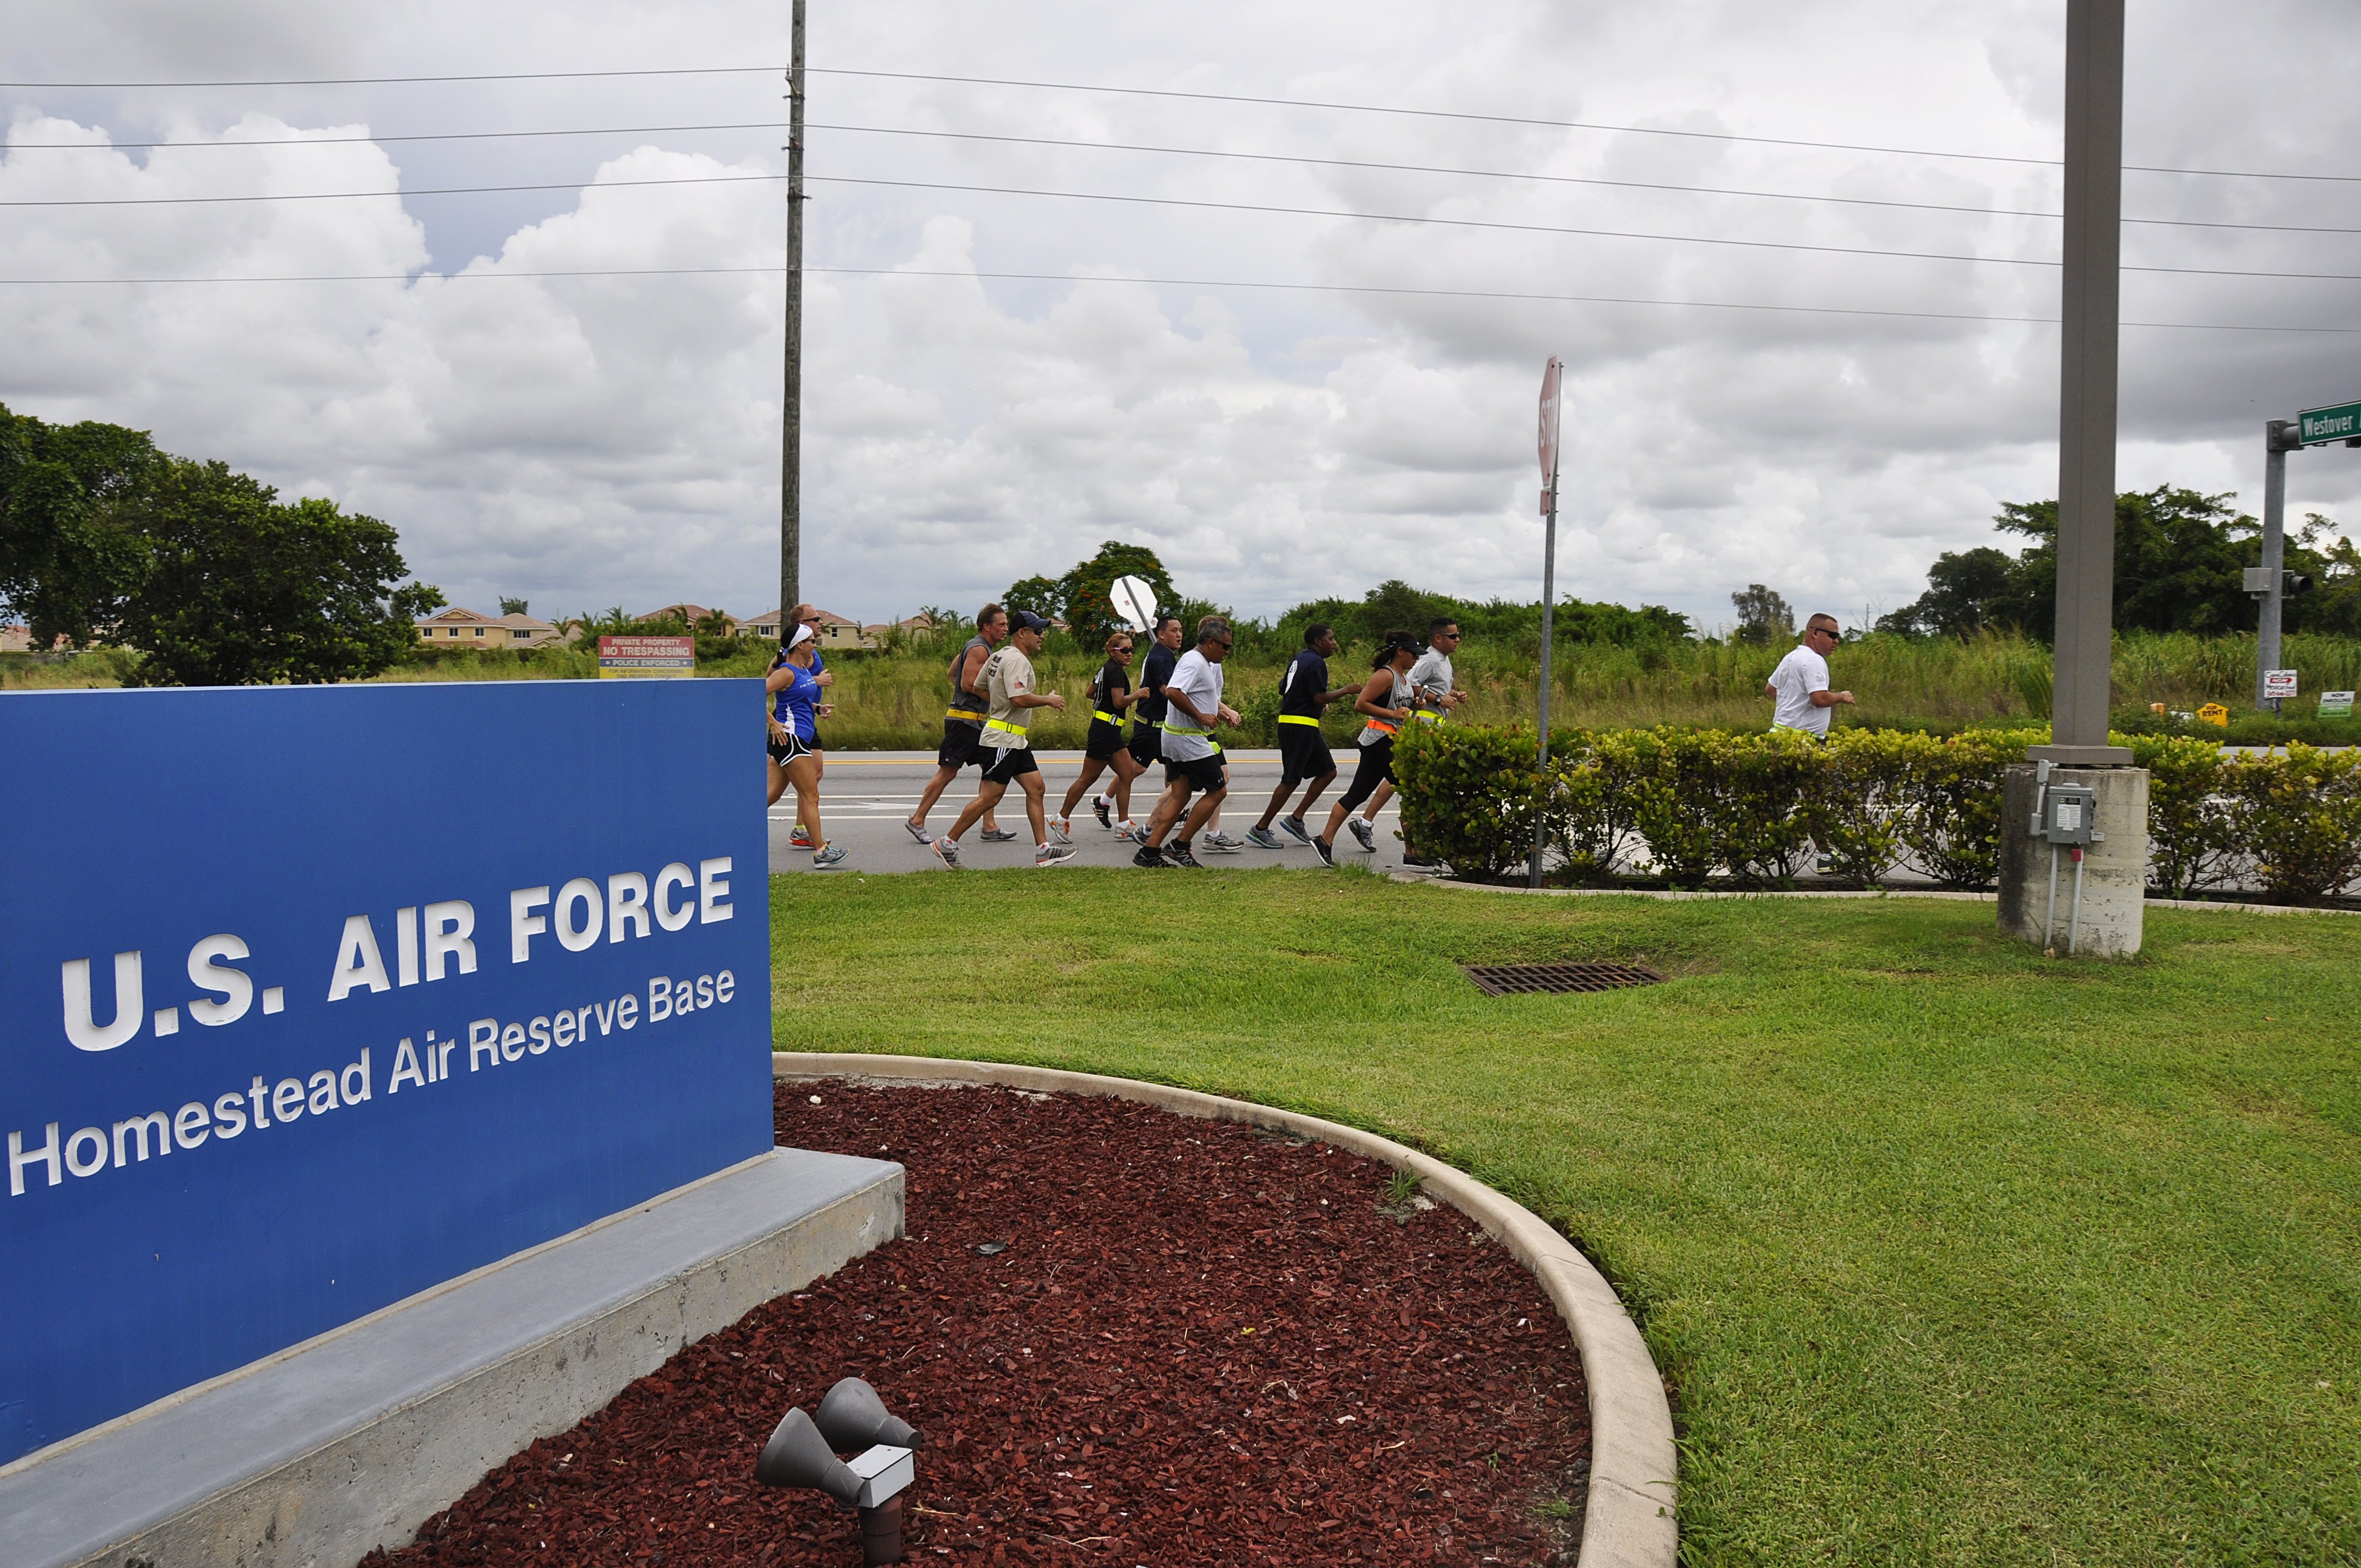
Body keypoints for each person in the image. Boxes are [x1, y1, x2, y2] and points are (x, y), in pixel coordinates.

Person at [931, 612, 1079, 869]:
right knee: (990, 797)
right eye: (1037, 631)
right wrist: (1048, 700)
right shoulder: (1017, 660)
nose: (1042, 636)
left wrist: (1000, 700)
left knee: (1036, 788)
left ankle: (1044, 850)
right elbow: (1018, 699)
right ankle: (947, 842)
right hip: (1003, 738)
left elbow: (978, 687)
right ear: (1022, 633)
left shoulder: (998, 656)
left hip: (1014, 738)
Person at [1133, 618, 1241, 868]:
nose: (1227, 652)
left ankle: (1149, 852)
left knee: (1180, 796)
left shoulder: (1199, 661)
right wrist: (1200, 716)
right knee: (1218, 791)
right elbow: (1173, 691)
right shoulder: (1194, 662)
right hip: (1187, 739)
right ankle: (1180, 845)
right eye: (1225, 646)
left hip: (1177, 737)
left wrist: (1216, 711)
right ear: (1211, 642)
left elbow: (1192, 695)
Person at [1315, 631, 1421, 867]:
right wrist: (1394, 713)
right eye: (1414, 654)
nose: (1417, 659)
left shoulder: (1402, 678)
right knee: (1412, 792)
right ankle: (1412, 853)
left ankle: (1324, 841)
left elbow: (1400, 709)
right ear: (1401, 652)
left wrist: (1415, 706)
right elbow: (1361, 704)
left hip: (1384, 742)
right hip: (1380, 741)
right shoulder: (1385, 675)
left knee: (1358, 795)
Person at [907, 604, 1009, 843]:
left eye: (1006, 624)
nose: (1006, 628)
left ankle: (989, 826)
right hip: (963, 722)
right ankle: (917, 820)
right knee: (948, 772)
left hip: (976, 723)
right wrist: (1000, 699)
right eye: (1001, 624)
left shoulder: (977, 647)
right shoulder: (979, 649)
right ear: (987, 627)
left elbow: (953, 672)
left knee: (990, 770)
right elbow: (966, 684)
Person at [1248, 623, 1354, 848]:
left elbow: (1283, 689)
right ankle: (1260, 828)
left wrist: (1310, 699)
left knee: (1328, 771)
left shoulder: (1299, 659)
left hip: (1303, 725)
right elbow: (1319, 698)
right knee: (1291, 780)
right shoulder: (1316, 662)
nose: (1334, 643)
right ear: (1318, 641)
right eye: (1331, 639)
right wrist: (1346, 690)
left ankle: (1296, 819)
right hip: (1299, 725)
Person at [1048, 629, 1149, 842]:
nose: (1129, 654)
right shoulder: (1116, 672)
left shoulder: (1106, 669)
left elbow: (1090, 693)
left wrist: (1106, 701)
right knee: (1088, 778)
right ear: (1112, 651)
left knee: (1127, 773)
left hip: (1110, 730)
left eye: (1131, 650)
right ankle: (1060, 818)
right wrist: (1137, 695)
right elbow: (1119, 702)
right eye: (1124, 650)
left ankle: (1123, 824)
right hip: (1104, 731)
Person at [767, 626, 845, 867]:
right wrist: (773, 723)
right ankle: (821, 852)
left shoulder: (802, 670)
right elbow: (753, 694)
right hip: (791, 739)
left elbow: (798, 700)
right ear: (800, 645)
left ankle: (727, 827)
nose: (815, 644)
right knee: (811, 795)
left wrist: (818, 708)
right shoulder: (786, 672)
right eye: (812, 641)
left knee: (771, 795)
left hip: (796, 739)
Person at [1398, 617, 1471, 867]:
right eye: (1453, 636)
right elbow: (1409, 685)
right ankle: (1410, 849)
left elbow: (1435, 690)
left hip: (1435, 728)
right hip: (1421, 728)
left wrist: (1452, 696)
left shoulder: (1444, 661)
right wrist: (1439, 700)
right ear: (1438, 638)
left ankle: (1415, 849)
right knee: (1412, 786)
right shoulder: (1429, 660)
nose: (1458, 640)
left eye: (1458, 635)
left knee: (1418, 787)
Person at [1115, 613, 1184, 839]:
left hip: (1162, 725)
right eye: (1174, 631)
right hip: (1152, 726)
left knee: (1173, 770)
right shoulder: (1162, 658)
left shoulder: (1164, 653)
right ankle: (1109, 806)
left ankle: (1171, 811)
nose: (1179, 635)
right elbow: (1168, 691)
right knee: (1132, 770)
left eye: (1181, 630)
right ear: (1161, 634)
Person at [784, 605, 834, 850]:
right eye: (816, 619)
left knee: (815, 776)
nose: (821, 622)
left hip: (806, 720)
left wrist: (817, 708)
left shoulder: (809, 651)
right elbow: (781, 680)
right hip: (791, 727)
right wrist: (817, 680)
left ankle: (801, 829)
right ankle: (816, 845)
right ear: (802, 625)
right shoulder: (790, 654)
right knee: (777, 791)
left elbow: (798, 684)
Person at [1765, 614, 1856, 738]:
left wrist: (1794, 708)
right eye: (1832, 635)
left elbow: (1771, 689)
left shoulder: (1791, 657)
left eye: (1837, 637)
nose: (1836, 641)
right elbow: (1820, 699)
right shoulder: (1813, 660)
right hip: (1803, 740)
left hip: (1779, 735)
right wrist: (1842, 696)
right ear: (1815, 633)